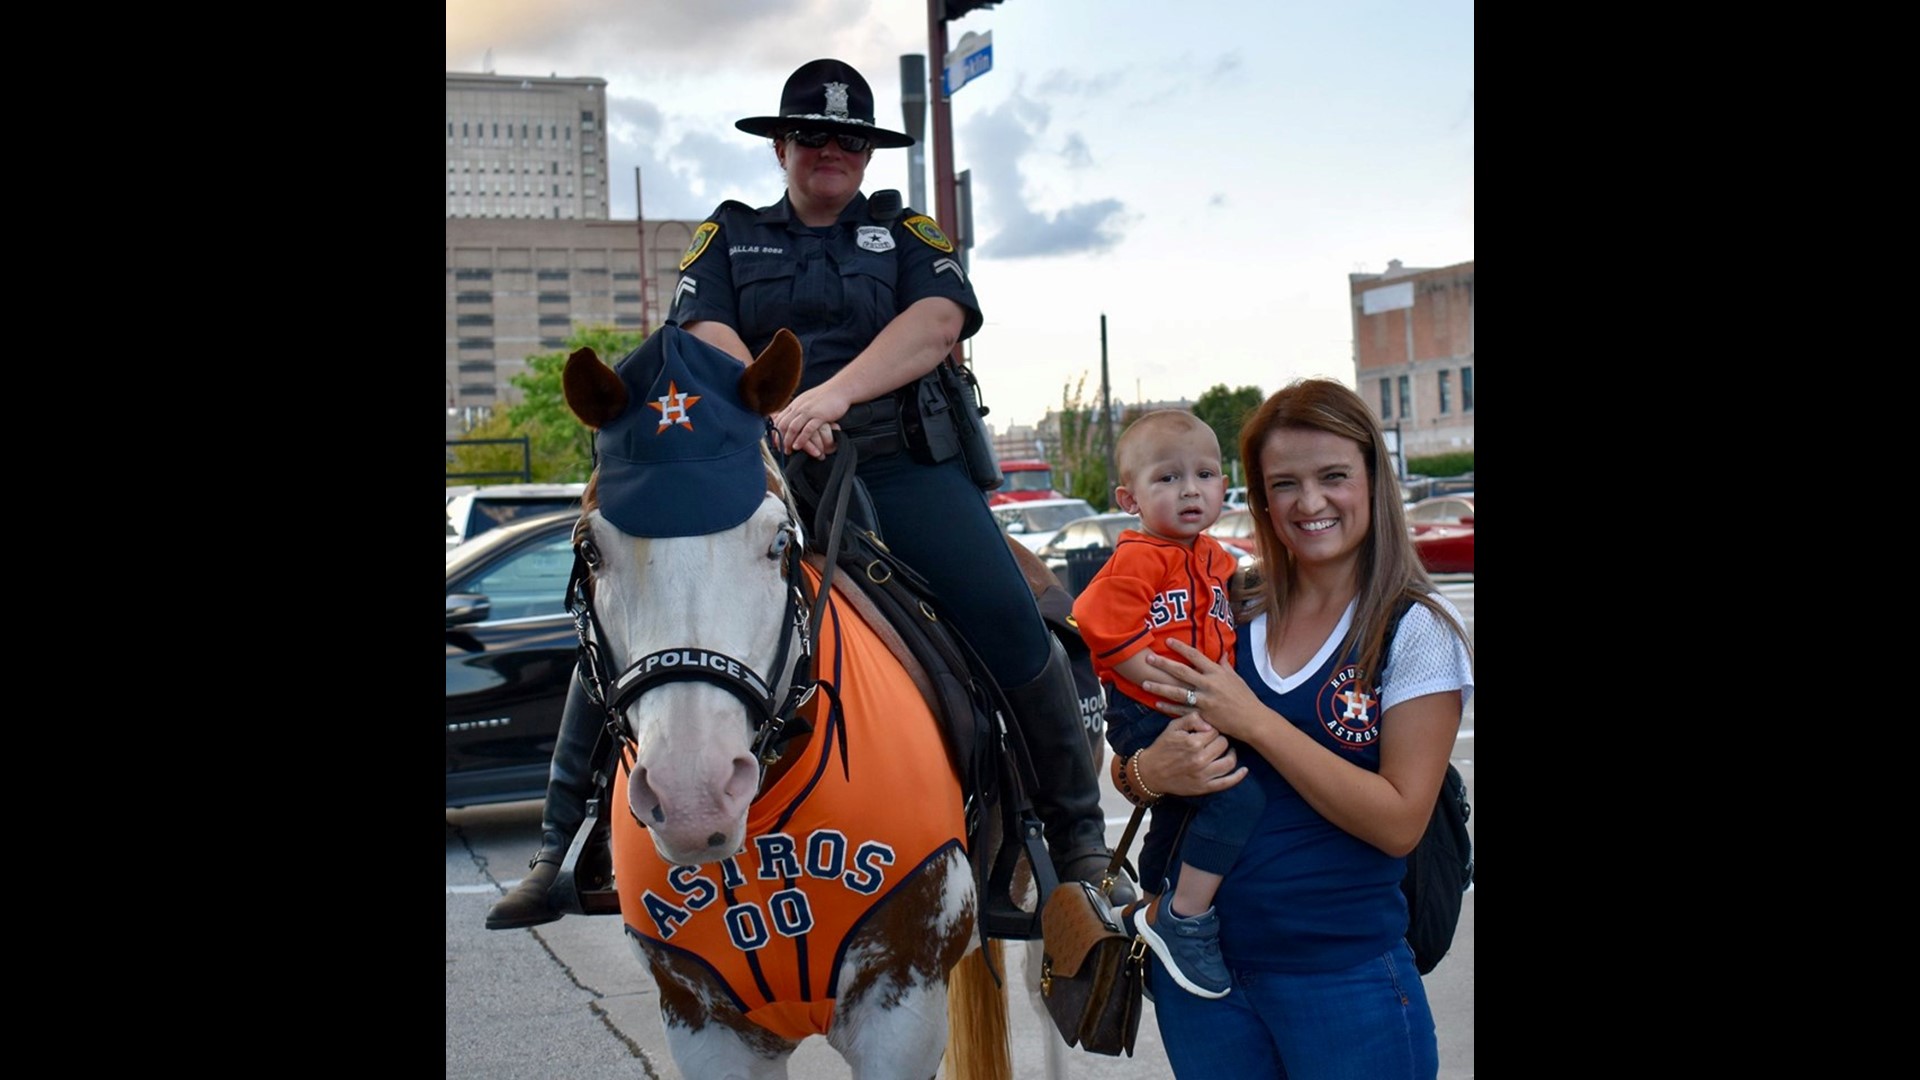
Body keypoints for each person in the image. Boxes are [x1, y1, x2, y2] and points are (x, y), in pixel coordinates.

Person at [484, 57, 1129, 931]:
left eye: (851, 139)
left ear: (867, 154)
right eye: (813, 136)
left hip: (899, 465)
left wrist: (831, 397)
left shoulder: (907, 232)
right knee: (631, 613)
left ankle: (1077, 843)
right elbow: (699, 329)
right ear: (782, 146)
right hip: (760, 466)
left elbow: (937, 324)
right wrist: (779, 405)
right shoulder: (729, 235)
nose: (832, 150)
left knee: (1015, 622)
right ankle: (559, 843)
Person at [1116, 378, 1474, 1078]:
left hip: (1345, 981)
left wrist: (1257, 722)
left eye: (1333, 476)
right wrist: (1147, 773)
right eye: (1284, 484)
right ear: (1257, 496)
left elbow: (1401, 821)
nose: (1310, 503)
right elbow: (1134, 758)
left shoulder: (1416, 630)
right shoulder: (1225, 606)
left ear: (1374, 477)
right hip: (1203, 982)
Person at [1070, 410, 1247, 1000]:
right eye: (1167, 478)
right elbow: (1106, 633)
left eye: (1205, 474)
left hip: (1192, 705)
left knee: (1184, 809)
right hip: (1147, 707)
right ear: (1129, 498)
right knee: (1236, 796)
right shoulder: (1139, 558)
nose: (1190, 489)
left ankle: (1154, 899)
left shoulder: (1217, 560)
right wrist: (1191, 696)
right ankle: (1184, 917)